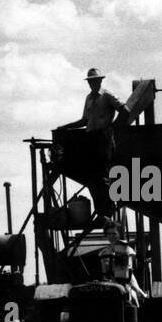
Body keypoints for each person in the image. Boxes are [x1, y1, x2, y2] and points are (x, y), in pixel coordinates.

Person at [59, 67, 126, 225]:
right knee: (92, 178)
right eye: (90, 81)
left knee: (102, 176)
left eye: (95, 81)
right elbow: (84, 120)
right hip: (91, 139)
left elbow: (125, 109)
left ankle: (106, 211)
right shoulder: (89, 98)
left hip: (103, 139)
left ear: (100, 81)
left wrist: (112, 127)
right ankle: (102, 212)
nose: (93, 84)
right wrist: (65, 127)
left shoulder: (107, 95)